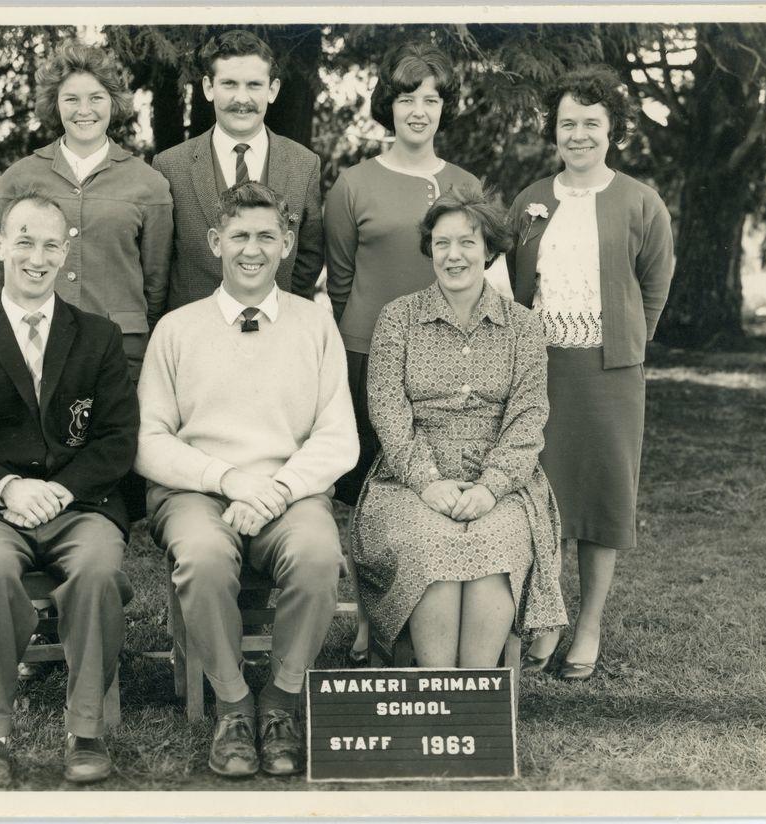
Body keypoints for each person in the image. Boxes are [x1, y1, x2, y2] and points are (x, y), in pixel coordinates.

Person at [136, 181, 358, 778]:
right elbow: (149, 441)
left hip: (290, 492)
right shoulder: (177, 329)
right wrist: (228, 479)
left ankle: (281, 701)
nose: (252, 249)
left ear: (287, 243)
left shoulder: (315, 326)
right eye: (239, 236)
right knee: (204, 558)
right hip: (198, 493)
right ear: (215, 242)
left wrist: (278, 491)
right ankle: (234, 705)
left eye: (266, 235)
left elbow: (339, 437)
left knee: (317, 556)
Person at [0, 191, 138, 787]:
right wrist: (8, 487)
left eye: (50, 244)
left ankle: (85, 728)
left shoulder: (97, 335)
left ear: (66, 251)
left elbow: (117, 439)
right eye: (23, 241)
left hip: (80, 506)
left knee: (96, 568)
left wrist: (62, 491)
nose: (36, 257)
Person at [351, 187, 567, 668]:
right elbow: (387, 411)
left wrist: (491, 488)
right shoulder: (398, 319)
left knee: (494, 544)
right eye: (443, 243)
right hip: (410, 480)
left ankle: (475, 694)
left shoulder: (523, 327)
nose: (454, 255)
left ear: (489, 250)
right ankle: (437, 686)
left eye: (468, 243)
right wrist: (427, 482)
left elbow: (528, 418)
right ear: (430, 249)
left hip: (504, 484)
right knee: (434, 547)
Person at [507, 66, 674, 681]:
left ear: (614, 131)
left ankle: (589, 626)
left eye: (592, 124)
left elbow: (655, 285)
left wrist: (628, 339)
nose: (578, 135)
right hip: (540, 370)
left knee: (602, 500)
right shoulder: (530, 200)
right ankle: (545, 619)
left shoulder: (639, 200)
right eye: (567, 123)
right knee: (543, 497)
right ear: (554, 131)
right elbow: (515, 282)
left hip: (610, 374)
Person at [323, 42, 482, 662]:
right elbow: (339, 279)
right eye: (406, 98)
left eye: (432, 99)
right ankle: (370, 620)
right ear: (386, 106)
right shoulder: (354, 183)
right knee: (369, 493)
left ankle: (429, 609)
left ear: (445, 108)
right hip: (369, 353)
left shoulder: (464, 185)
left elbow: (473, 266)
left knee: (435, 486)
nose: (419, 110)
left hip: (448, 360)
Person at [0, 41, 173, 382]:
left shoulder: (149, 184)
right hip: (36, 344)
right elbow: (8, 274)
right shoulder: (18, 179)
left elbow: (156, 282)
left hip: (121, 349)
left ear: (113, 102)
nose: (83, 110)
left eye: (96, 98)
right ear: (55, 104)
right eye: (71, 99)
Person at [152, 29, 324, 311]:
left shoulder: (303, 164)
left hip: (275, 331)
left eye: (254, 85)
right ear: (209, 87)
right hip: (195, 333)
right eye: (229, 84)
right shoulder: (170, 166)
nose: (241, 98)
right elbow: (158, 264)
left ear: (272, 89)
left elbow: (309, 256)